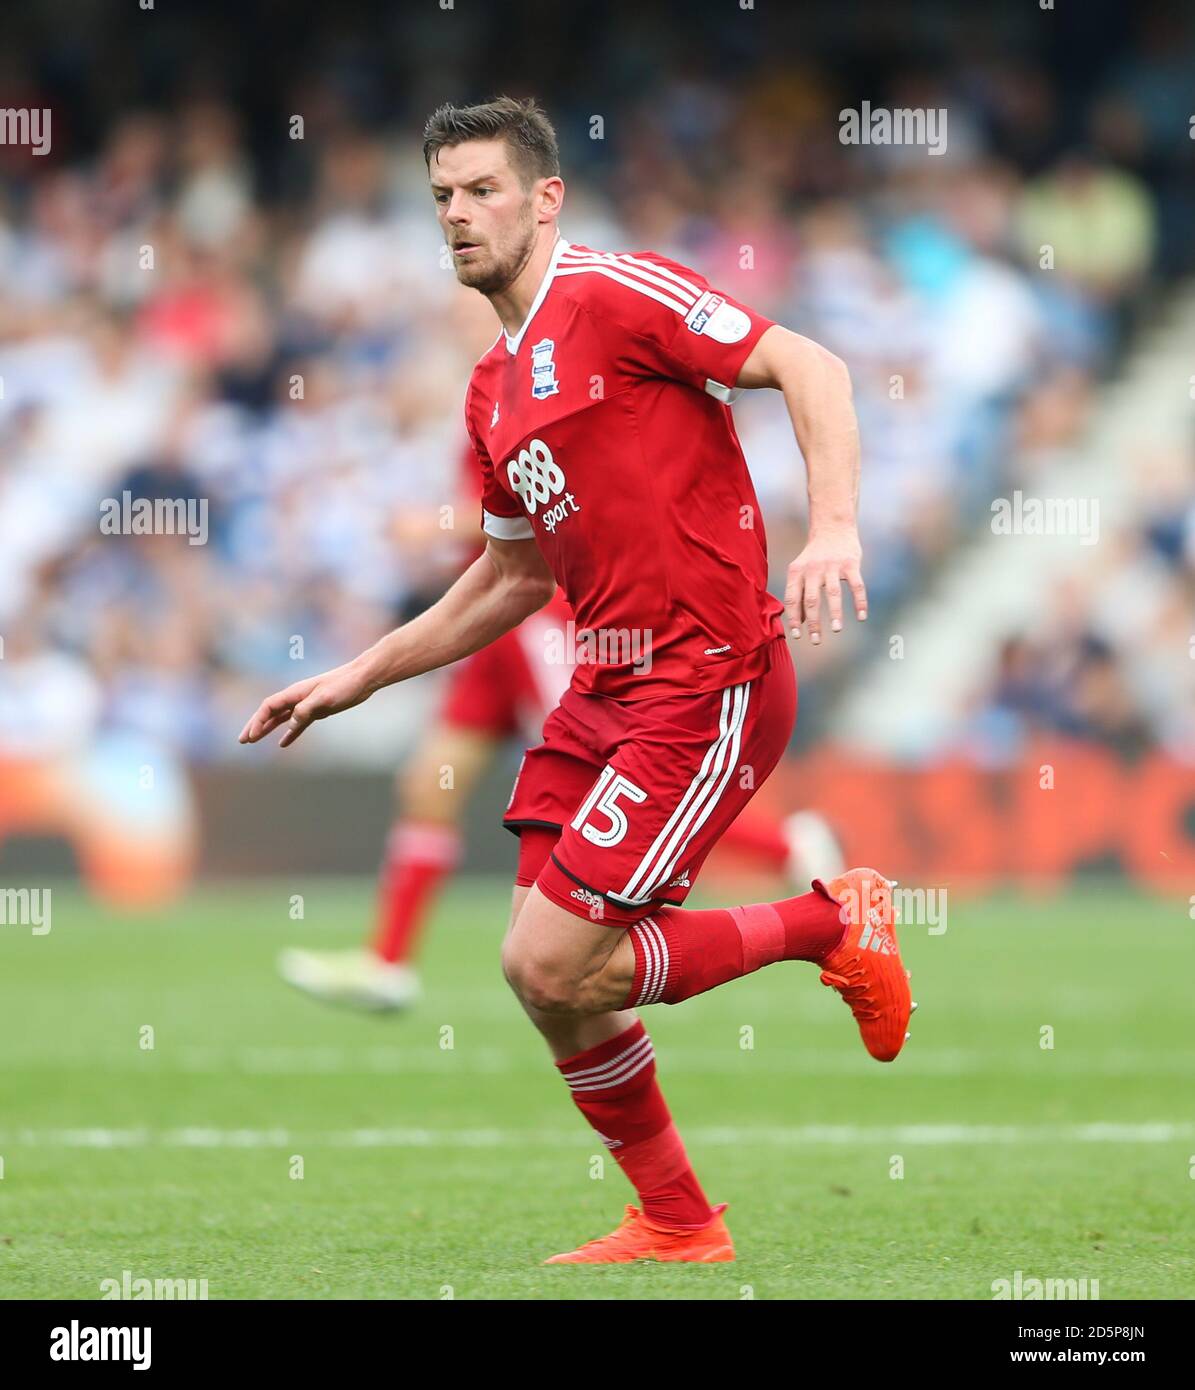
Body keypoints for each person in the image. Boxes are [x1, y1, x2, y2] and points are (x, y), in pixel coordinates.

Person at [241, 96, 913, 1264]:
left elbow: (810, 363)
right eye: (443, 196)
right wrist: (360, 672)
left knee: (554, 958)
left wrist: (835, 529)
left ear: (545, 199)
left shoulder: (613, 293)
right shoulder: (492, 388)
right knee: (549, 981)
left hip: (707, 676)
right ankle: (677, 1220)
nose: (459, 214)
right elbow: (508, 579)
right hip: (597, 694)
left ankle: (826, 920)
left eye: (484, 190)